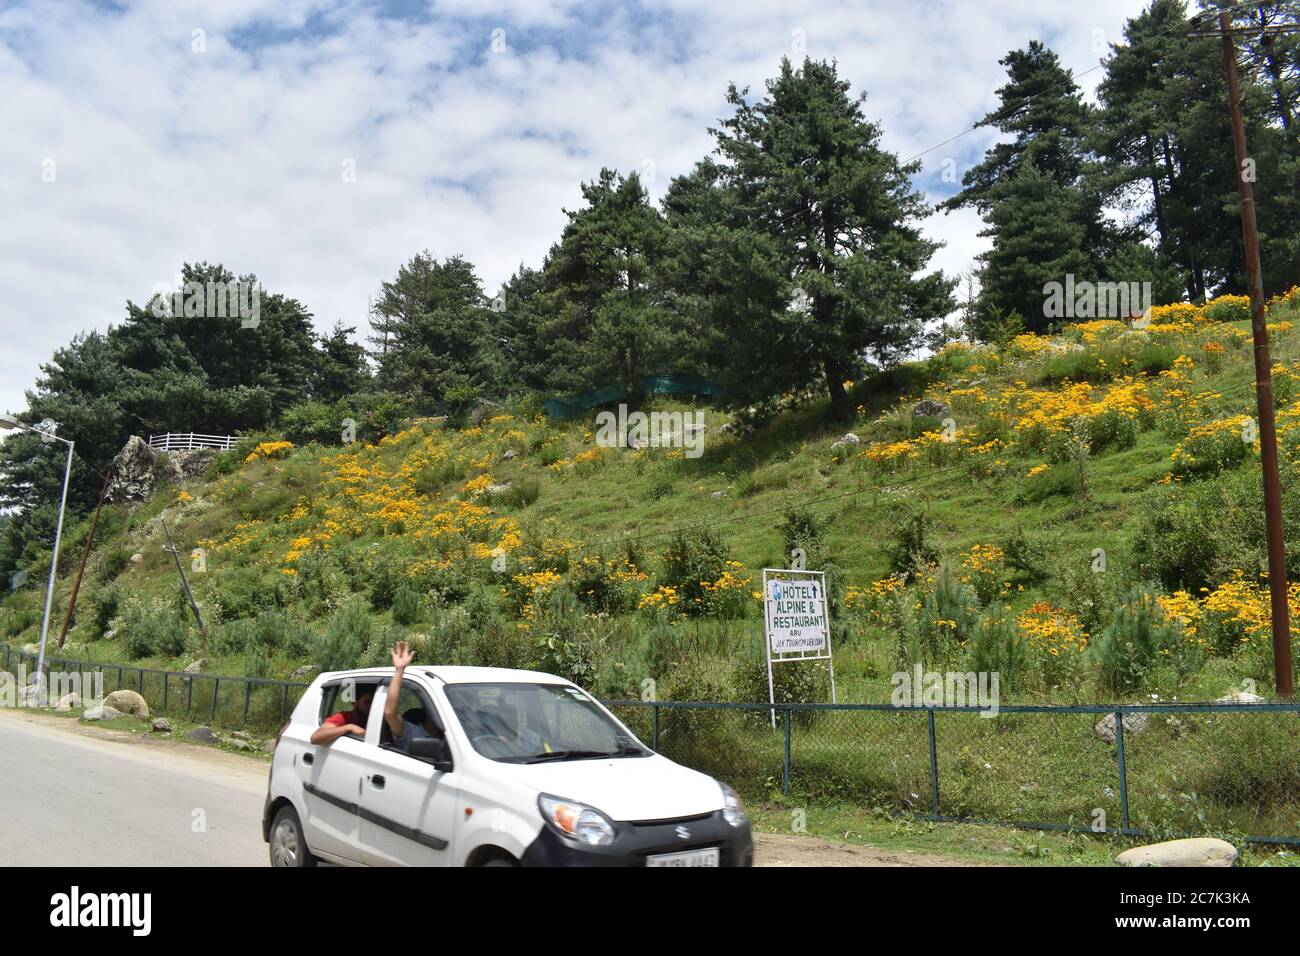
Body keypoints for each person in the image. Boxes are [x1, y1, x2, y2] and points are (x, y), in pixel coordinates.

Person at [309, 682, 377, 745]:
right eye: (367, 702)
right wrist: (349, 727)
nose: (371, 706)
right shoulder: (343, 717)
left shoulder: (377, 717)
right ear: (354, 702)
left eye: (374, 702)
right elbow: (315, 738)